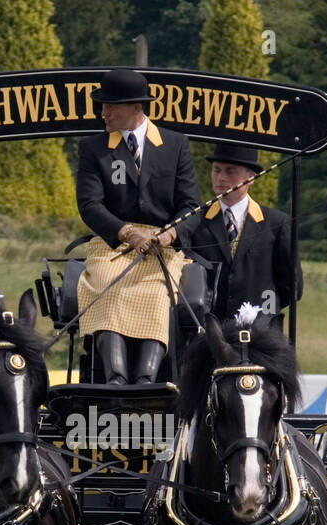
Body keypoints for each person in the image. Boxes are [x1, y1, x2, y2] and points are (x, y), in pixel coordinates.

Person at [75, 67, 201, 384]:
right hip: (112, 245)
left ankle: (147, 379)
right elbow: (90, 205)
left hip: (161, 248)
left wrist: (169, 234)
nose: (103, 113)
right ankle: (115, 377)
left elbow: (190, 206)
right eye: (101, 105)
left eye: (110, 106)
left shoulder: (175, 145)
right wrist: (127, 233)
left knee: (159, 294)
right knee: (106, 285)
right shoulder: (93, 148)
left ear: (136, 108)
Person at [187, 143, 300, 323]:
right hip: (207, 331)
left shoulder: (277, 224)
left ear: (251, 178)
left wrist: (262, 313)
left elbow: (291, 286)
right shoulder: (195, 220)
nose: (221, 178)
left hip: (259, 335)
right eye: (216, 170)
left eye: (230, 172)